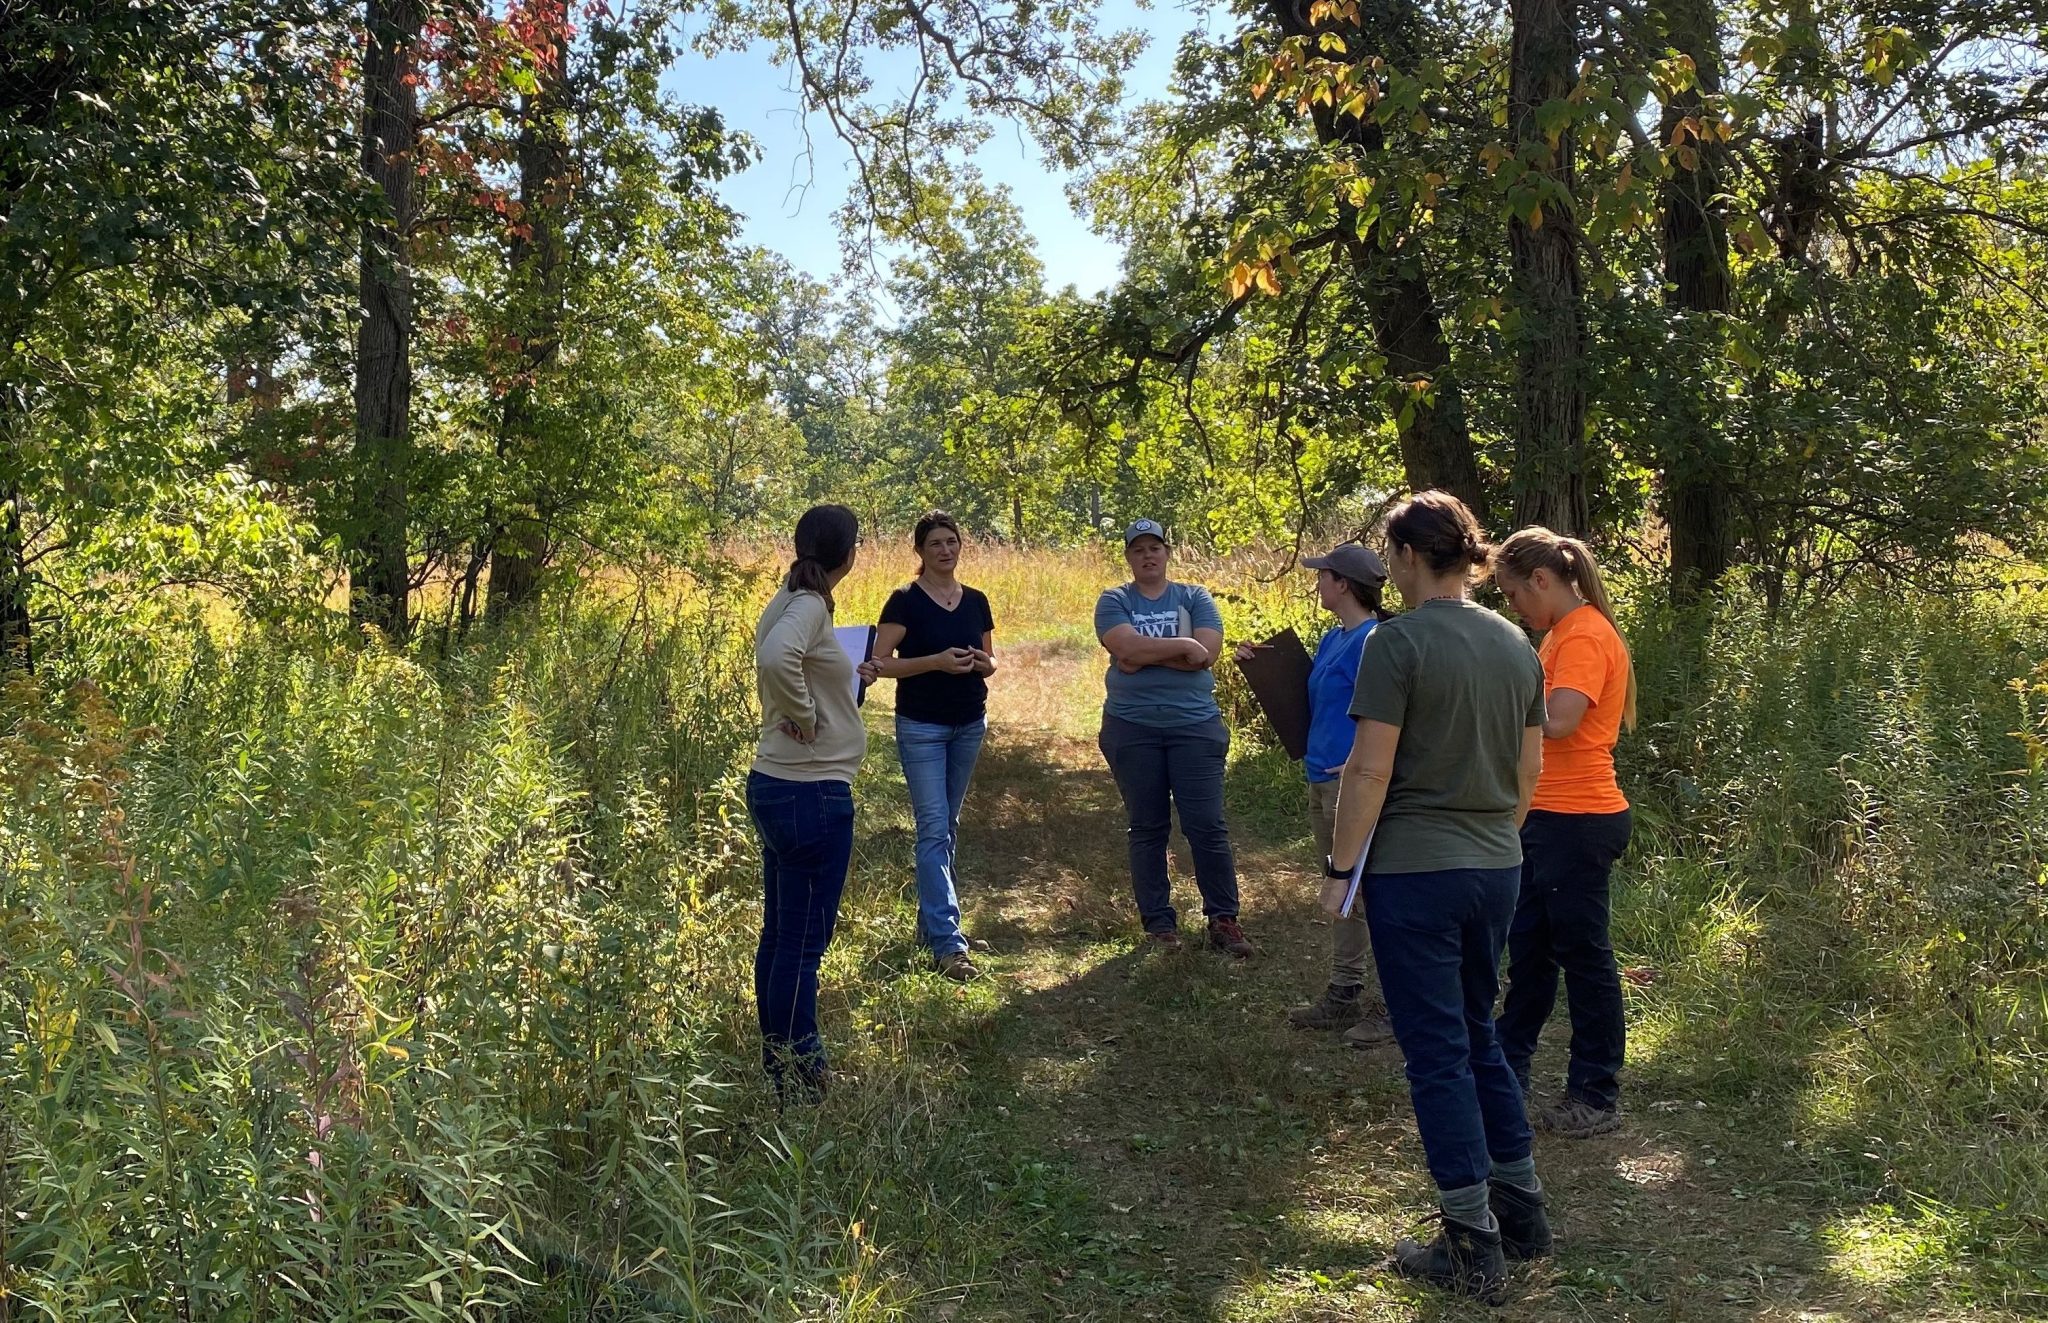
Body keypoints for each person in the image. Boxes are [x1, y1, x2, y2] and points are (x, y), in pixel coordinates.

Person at [1323, 491, 1551, 1298]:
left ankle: (1469, 1243)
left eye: (1391, 555)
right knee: (1478, 1033)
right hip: (1496, 866)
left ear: (1409, 556)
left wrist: (1341, 868)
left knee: (1437, 1054)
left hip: (1416, 872)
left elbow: (1369, 768)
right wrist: (1492, 837)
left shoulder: (1399, 641)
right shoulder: (1517, 643)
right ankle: (1521, 1210)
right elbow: (1530, 770)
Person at [1491, 526, 1638, 1139]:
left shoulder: (1583, 636)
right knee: (1529, 950)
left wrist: (1495, 702)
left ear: (1542, 580)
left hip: (1578, 820)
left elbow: (1560, 721)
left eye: (1514, 594)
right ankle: (1506, 1070)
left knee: (1583, 957)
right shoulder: (1559, 634)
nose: (1513, 607)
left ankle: (1595, 1095)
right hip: (1546, 815)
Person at [1235, 542, 1395, 1043]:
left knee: (1372, 891)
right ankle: (1344, 992)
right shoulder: (1333, 638)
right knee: (1340, 887)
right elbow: (1312, 698)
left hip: (1355, 785)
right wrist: (1261, 665)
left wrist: (1362, 765)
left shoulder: (1375, 641)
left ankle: (1393, 1003)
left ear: (1343, 584)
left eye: (1323, 575)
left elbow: (1395, 711)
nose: (1317, 582)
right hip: (1321, 779)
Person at [1094, 519, 1254, 957]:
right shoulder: (1114, 599)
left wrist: (1143, 656)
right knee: (1147, 827)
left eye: (1155, 548)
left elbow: (1207, 654)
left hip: (1194, 727)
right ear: (1128, 557)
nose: (1147, 556)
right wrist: (1181, 647)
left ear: (1167, 553)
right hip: (1132, 728)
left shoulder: (1195, 597)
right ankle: (1160, 926)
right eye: (1138, 549)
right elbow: (1129, 648)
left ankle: (1223, 920)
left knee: (1207, 825)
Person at [748, 504, 864, 1102]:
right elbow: (776, 659)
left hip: (778, 783)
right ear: (848, 553)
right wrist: (808, 714)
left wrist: (832, 689)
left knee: (780, 937)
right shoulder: (811, 604)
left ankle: (780, 1064)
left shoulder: (789, 597)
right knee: (801, 945)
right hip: (810, 792)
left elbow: (780, 656)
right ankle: (800, 1074)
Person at [859, 511, 997, 982]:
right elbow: (878, 662)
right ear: (919, 551)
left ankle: (936, 926)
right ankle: (948, 945)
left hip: (969, 723)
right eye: (935, 543)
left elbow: (991, 658)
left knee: (947, 826)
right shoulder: (905, 600)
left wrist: (983, 663)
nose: (945, 550)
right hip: (922, 726)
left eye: (951, 541)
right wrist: (934, 662)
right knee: (934, 828)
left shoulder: (976, 600)